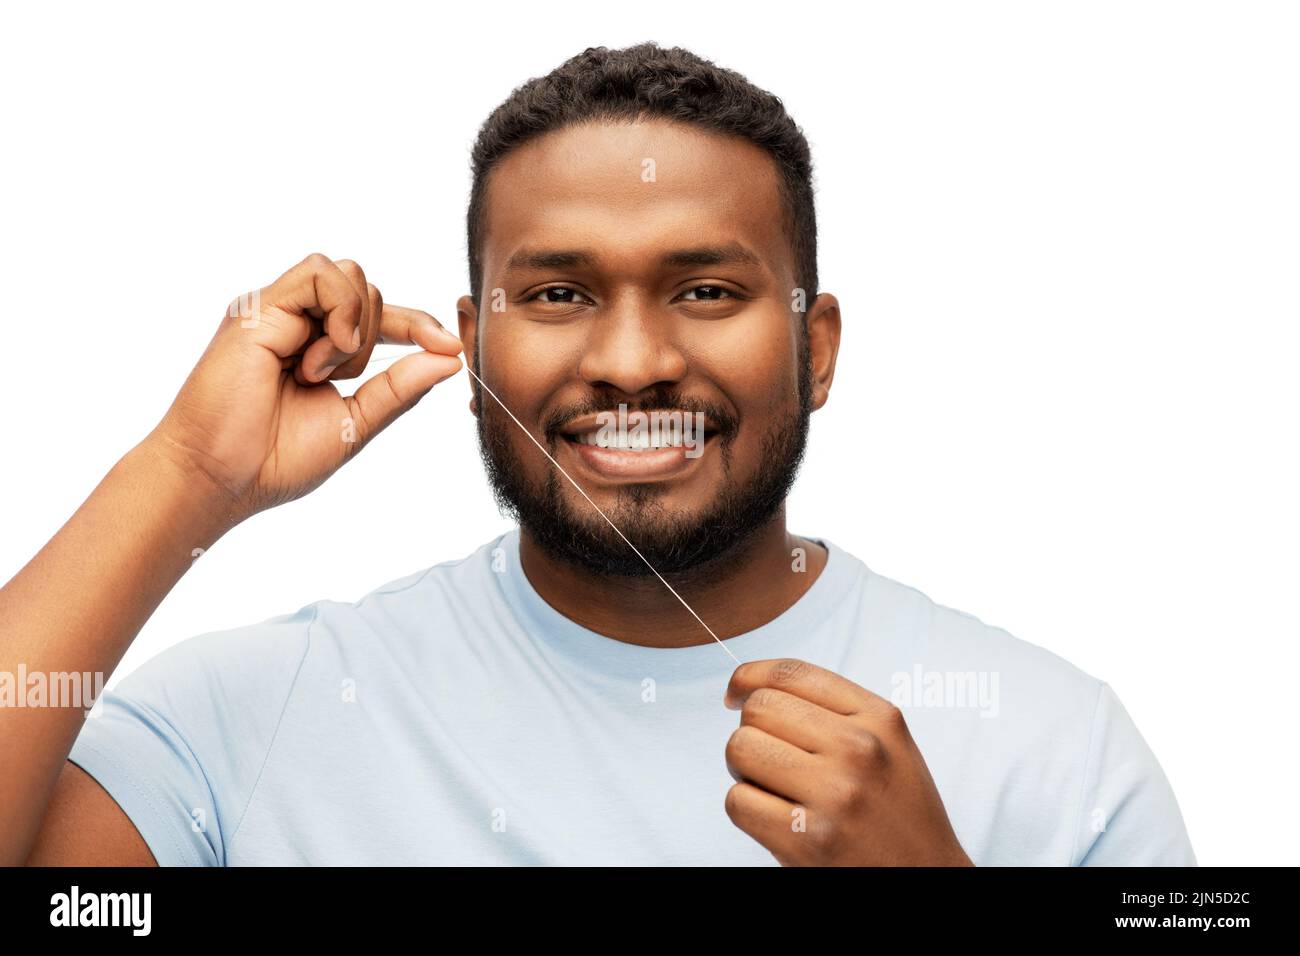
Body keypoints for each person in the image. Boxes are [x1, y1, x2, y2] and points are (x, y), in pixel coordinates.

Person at [1, 42, 1195, 866]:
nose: (632, 358)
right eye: (561, 290)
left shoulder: (1056, 746)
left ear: (813, 347)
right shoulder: (249, 719)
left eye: (708, 287)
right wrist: (183, 476)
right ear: (471, 348)